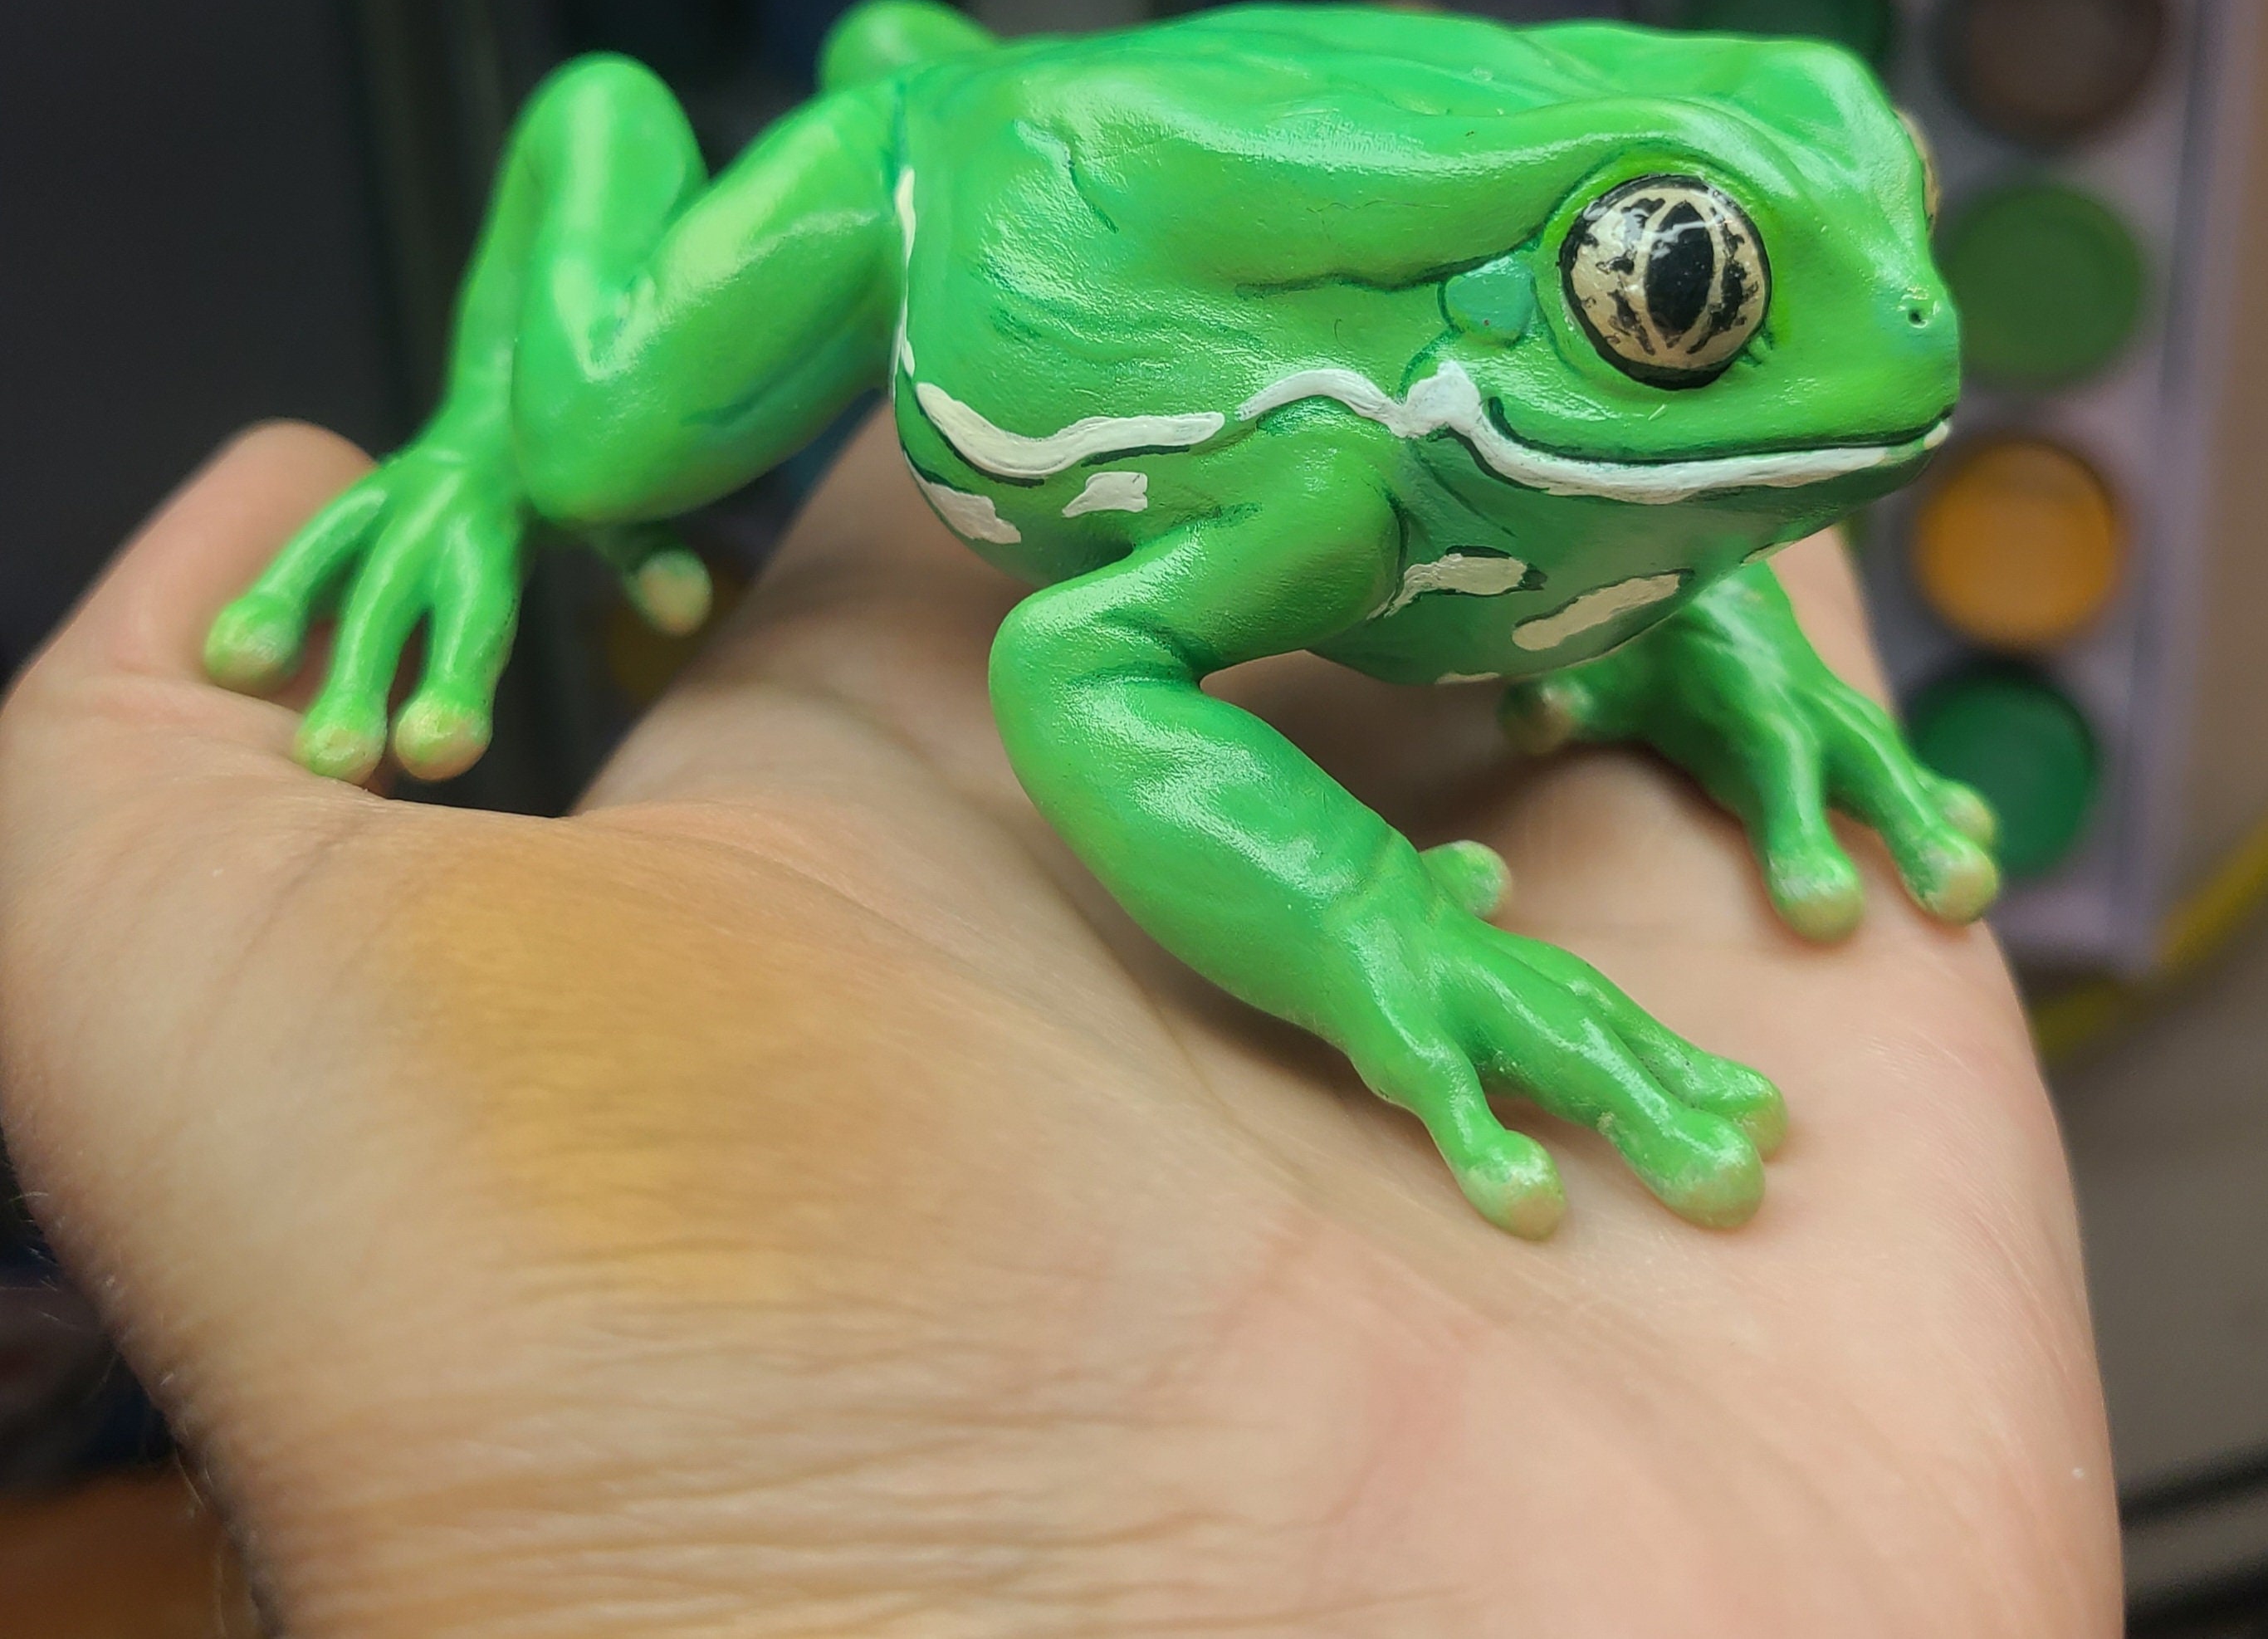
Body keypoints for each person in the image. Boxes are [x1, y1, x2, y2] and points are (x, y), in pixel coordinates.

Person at [0, 420, 2120, 1634]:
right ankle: (501, 420)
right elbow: (1076, 663)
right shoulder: (1339, 469)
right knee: (607, 424)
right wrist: (1370, 905)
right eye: (1673, 275)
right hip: (985, 203)